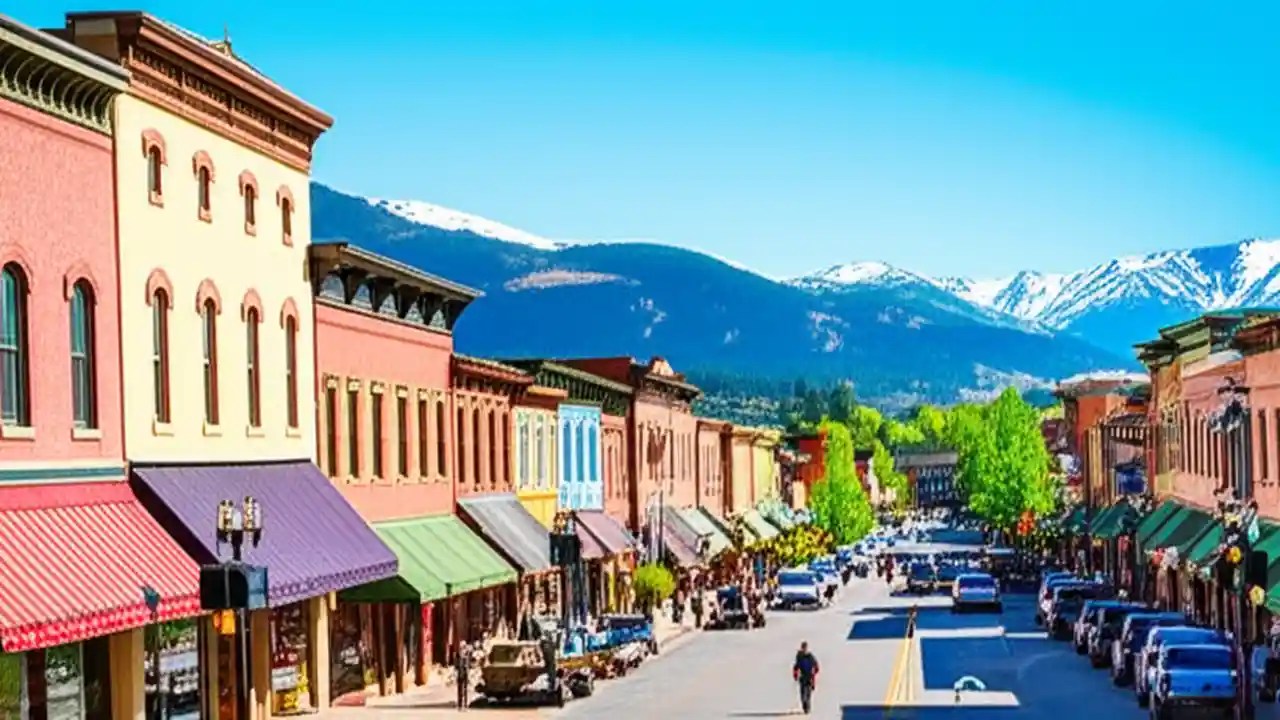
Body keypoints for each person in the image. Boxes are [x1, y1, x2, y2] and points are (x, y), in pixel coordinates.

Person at [793, 641, 820, 714]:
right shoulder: (799, 656)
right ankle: (804, 705)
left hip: (809, 676)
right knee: (803, 694)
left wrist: (815, 671)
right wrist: (795, 674)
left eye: (805, 648)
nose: (804, 649)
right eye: (803, 648)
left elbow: (816, 665)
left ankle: (807, 707)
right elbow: (796, 666)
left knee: (808, 693)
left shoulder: (810, 656)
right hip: (803, 676)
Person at [454, 640, 471, 711]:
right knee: (459, 690)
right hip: (459, 673)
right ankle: (460, 705)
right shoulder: (457, 654)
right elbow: (456, 663)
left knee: (465, 690)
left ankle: (465, 705)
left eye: (463, 646)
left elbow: (469, 662)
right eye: (461, 646)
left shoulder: (468, 654)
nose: (462, 647)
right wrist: (456, 669)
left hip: (465, 672)